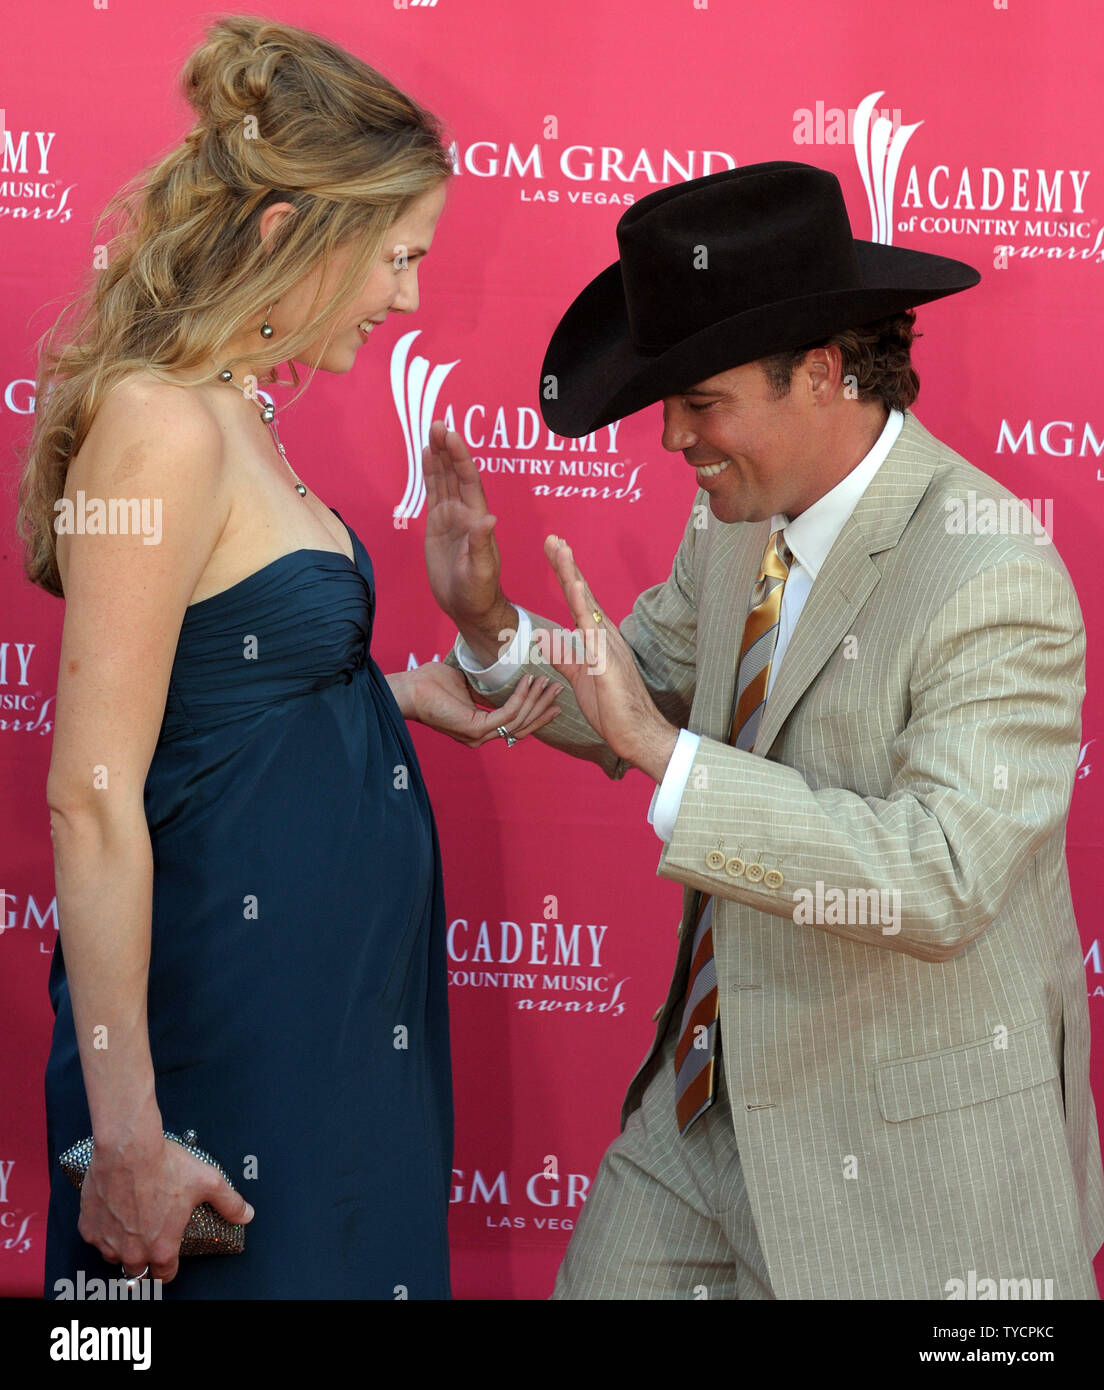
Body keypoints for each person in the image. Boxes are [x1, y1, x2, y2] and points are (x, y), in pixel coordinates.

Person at [424, 161, 1104, 1299]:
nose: (672, 440)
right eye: (665, 405)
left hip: (908, 1163)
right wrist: (490, 623)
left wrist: (662, 754)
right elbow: (633, 688)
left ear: (827, 372)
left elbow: (939, 876)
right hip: (697, 1116)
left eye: (702, 402)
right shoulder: (738, 523)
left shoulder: (990, 573)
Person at [19, 15, 560, 1301]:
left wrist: (380, 695)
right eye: (397, 257)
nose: (412, 299)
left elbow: (214, 696)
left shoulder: (236, 416)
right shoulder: (164, 425)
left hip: (331, 1035)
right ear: (288, 237)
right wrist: (131, 1138)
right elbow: (91, 800)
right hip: (226, 1042)